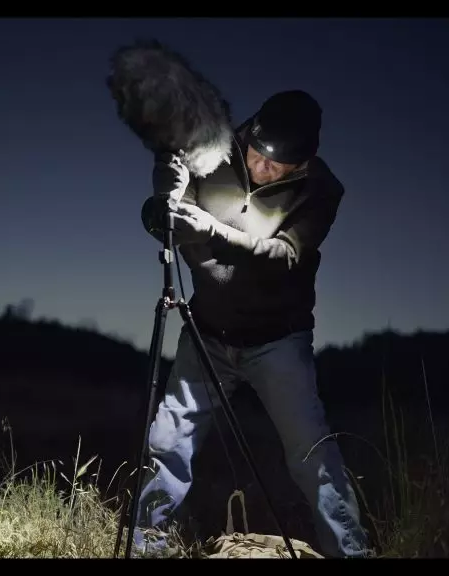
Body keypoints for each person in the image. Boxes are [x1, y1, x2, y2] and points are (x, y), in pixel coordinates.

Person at [133, 90, 370, 558]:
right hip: (208, 334)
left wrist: (212, 230)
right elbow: (168, 213)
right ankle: (147, 550)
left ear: (304, 161)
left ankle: (353, 554)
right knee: (168, 443)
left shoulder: (322, 190)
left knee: (313, 455)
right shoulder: (213, 151)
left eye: (275, 166)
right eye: (257, 155)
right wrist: (166, 194)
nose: (261, 169)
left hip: (278, 341)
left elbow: (285, 256)